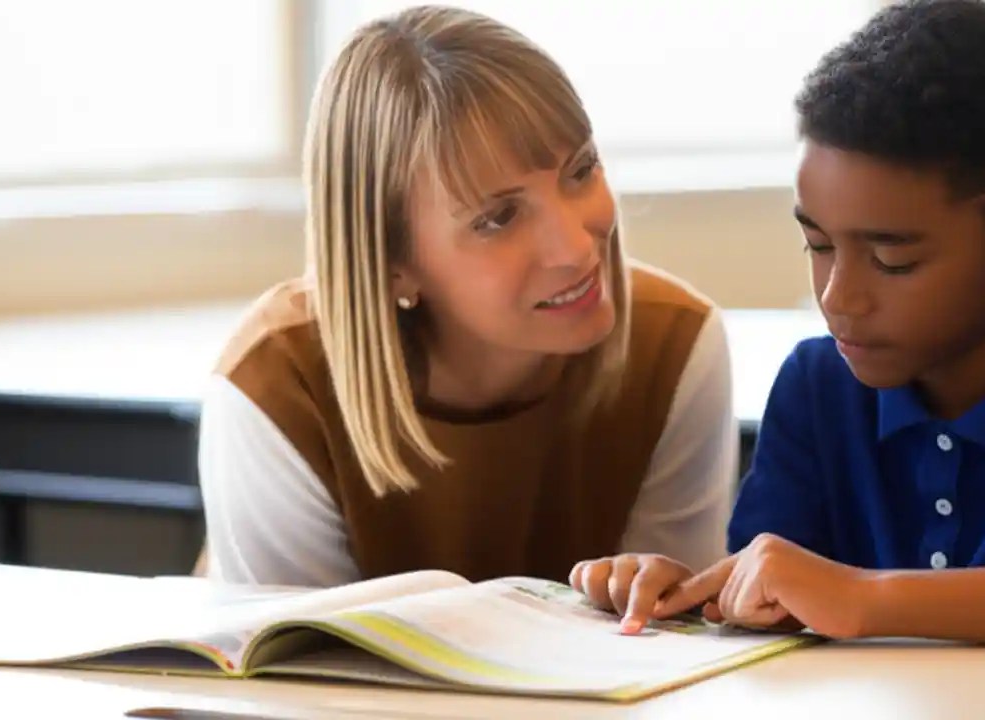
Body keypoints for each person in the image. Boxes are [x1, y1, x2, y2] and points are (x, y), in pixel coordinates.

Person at [571, 0, 985, 645]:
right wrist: (696, 595)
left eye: (892, 260)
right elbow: (772, 607)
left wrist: (870, 597)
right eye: (819, 245)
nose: (838, 297)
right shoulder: (818, 387)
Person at [196, 5, 734, 588]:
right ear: (391, 264)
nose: (576, 248)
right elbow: (299, 663)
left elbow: (674, 638)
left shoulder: (675, 344)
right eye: (498, 218)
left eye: (581, 171)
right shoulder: (276, 383)